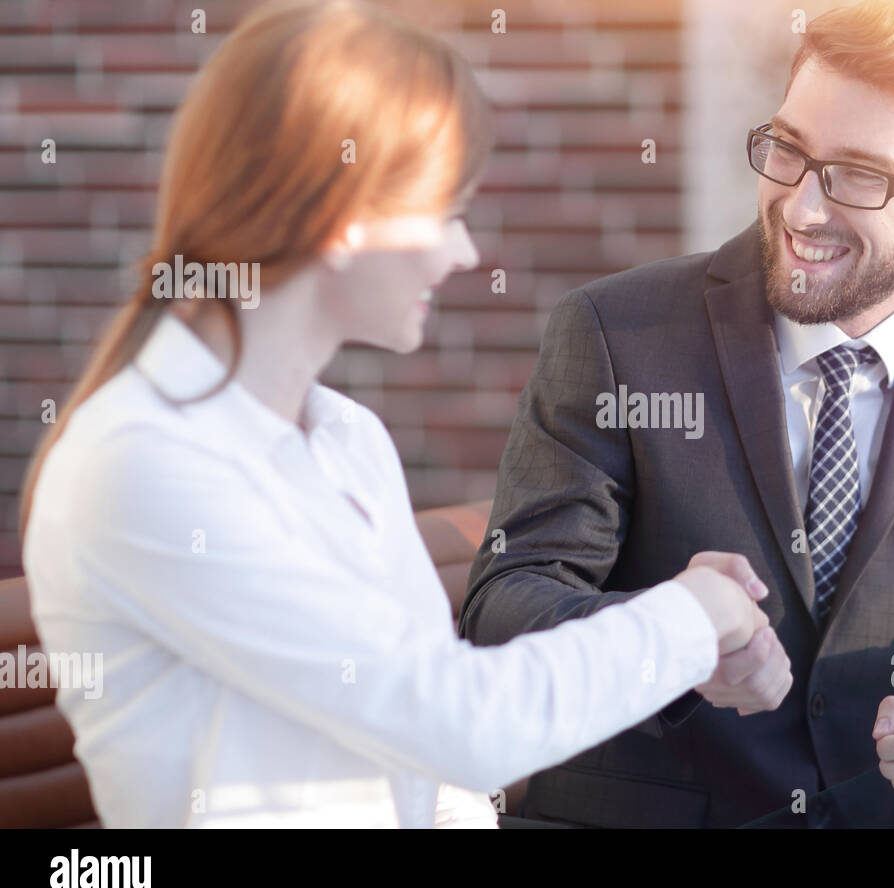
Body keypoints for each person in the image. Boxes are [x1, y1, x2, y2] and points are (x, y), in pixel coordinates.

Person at [19, 0, 774, 829]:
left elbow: (429, 757)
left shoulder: (345, 438)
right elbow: (459, 723)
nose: (465, 252)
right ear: (346, 218)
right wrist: (696, 612)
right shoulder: (141, 462)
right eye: (446, 210)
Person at [460, 0, 894, 828]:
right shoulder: (617, 334)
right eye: (788, 150)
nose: (803, 207)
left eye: (861, 175)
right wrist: (676, 632)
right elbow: (505, 603)